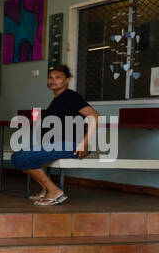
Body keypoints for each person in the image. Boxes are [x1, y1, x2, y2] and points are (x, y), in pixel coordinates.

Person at [8, 64, 99, 206]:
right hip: (58, 144)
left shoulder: (70, 96)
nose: (53, 80)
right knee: (20, 158)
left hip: (73, 145)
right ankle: (45, 189)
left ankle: (53, 190)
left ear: (67, 80)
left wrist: (84, 143)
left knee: (21, 157)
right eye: (50, 77)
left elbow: (95, 116)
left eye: (58, 77)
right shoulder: (57, 99)